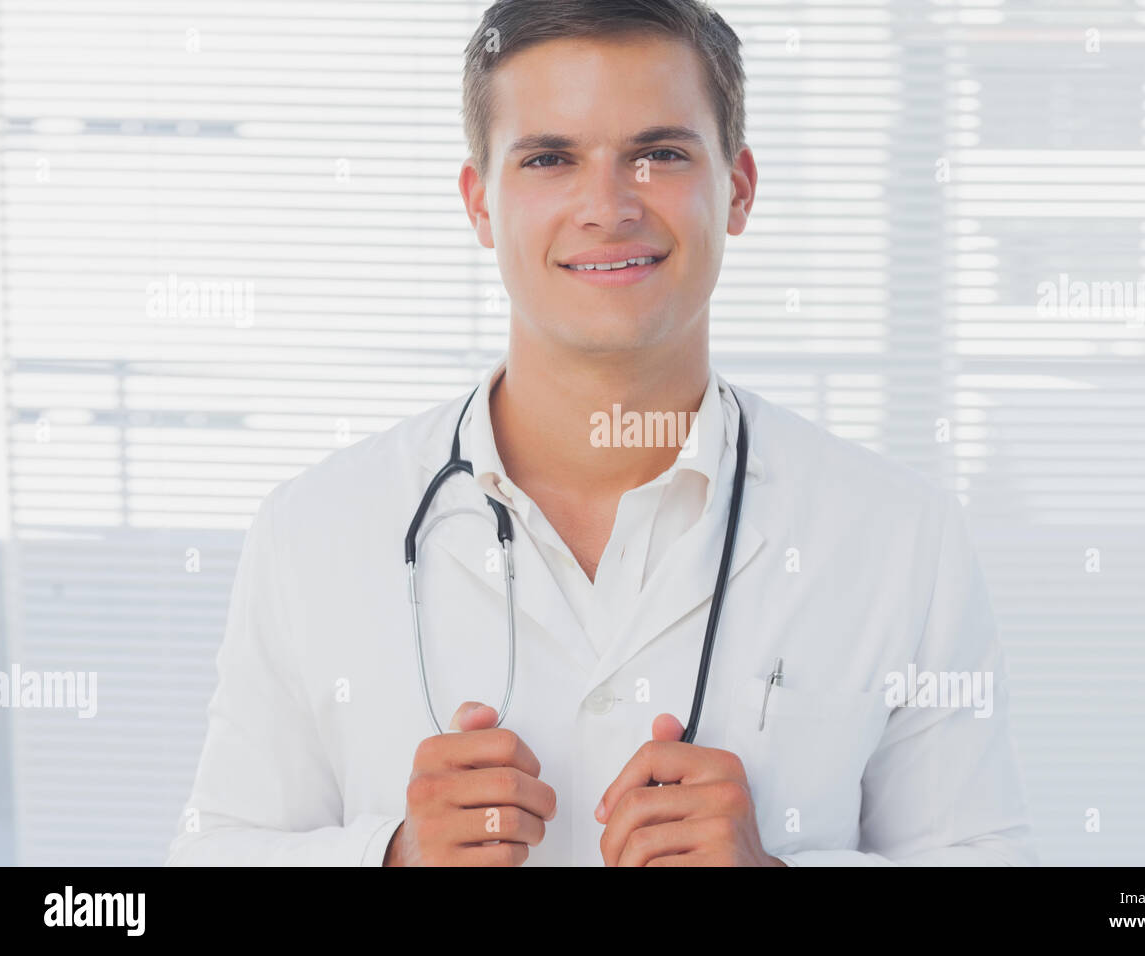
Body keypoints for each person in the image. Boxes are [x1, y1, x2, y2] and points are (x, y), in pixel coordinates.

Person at [166, 0, 1038, 867]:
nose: (608, 205)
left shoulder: (898, 536)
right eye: (549, 158)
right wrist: (390, 860)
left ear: (737, 189)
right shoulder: (312, 531)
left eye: (658, 154)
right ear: (480, 204)